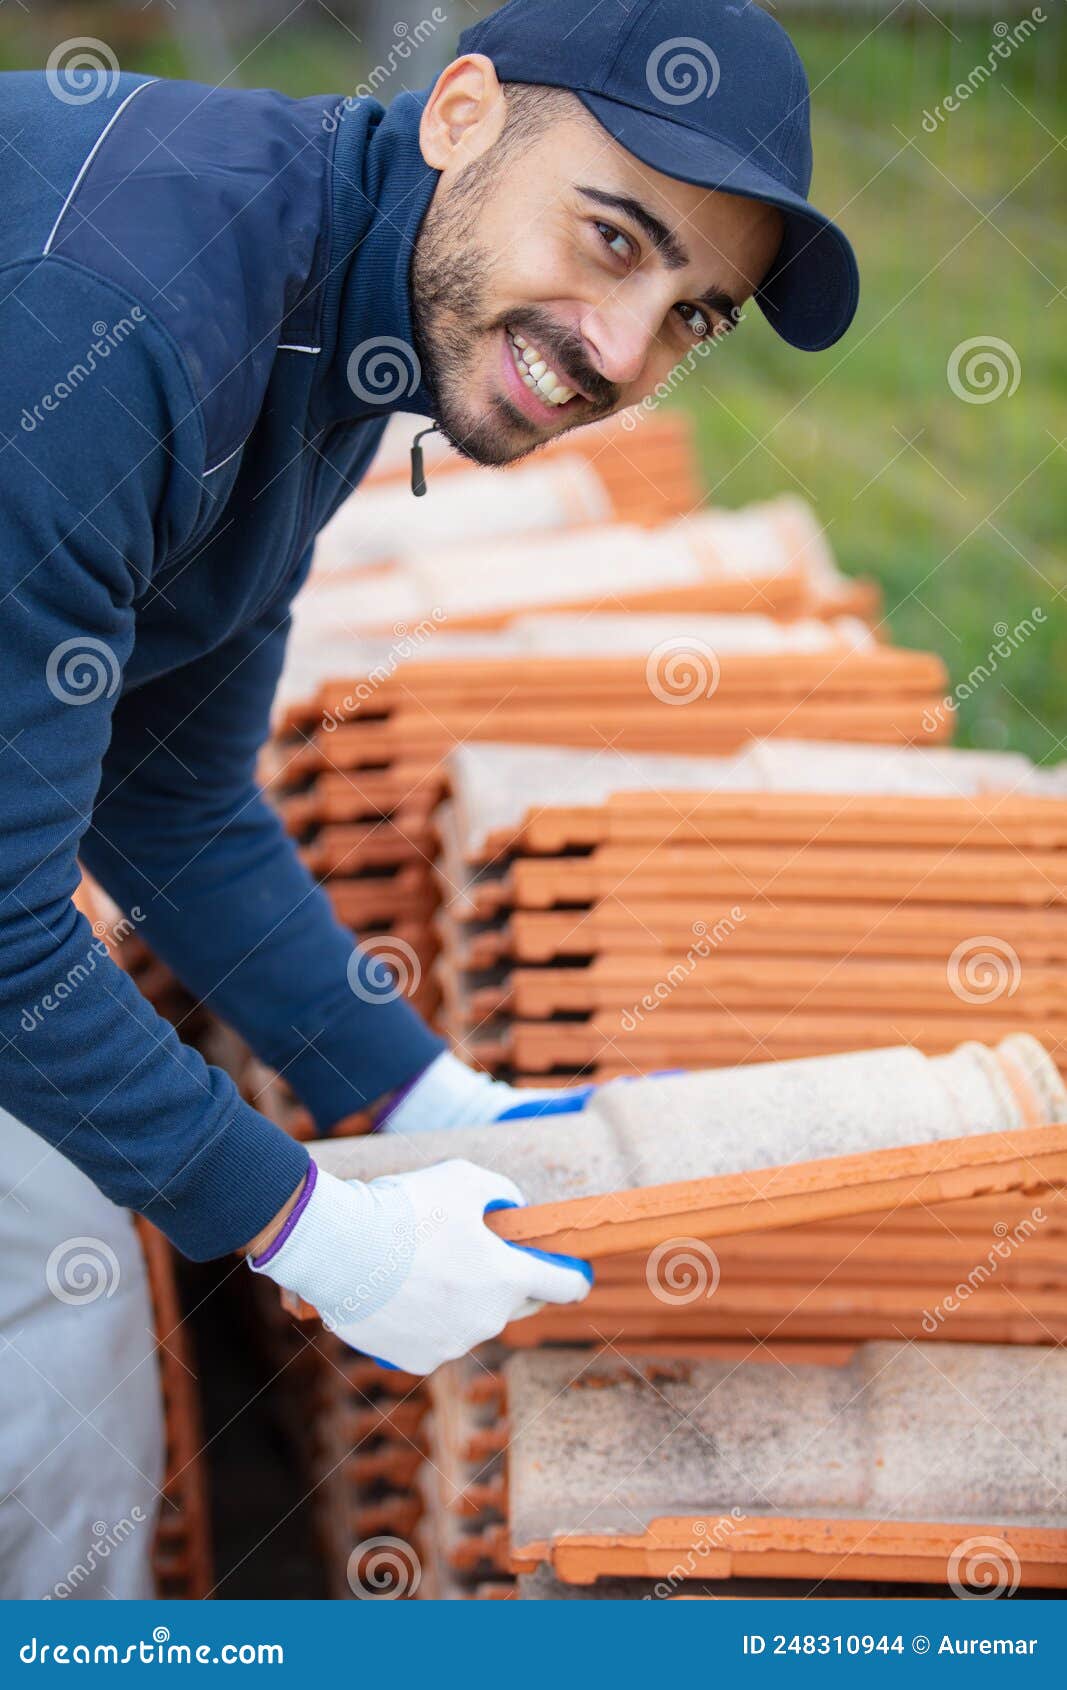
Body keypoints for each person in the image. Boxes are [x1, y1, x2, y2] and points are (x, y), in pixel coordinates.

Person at [0, 0, 857, 1401]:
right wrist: (315, 1230)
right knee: (49, 1299)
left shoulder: (337, 307)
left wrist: (425, 1096)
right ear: (460, 114)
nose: (626, 354)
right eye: (613, 237)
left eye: (691, 313)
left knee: (55, 1296)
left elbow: (169, 795)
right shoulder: (126, 319)